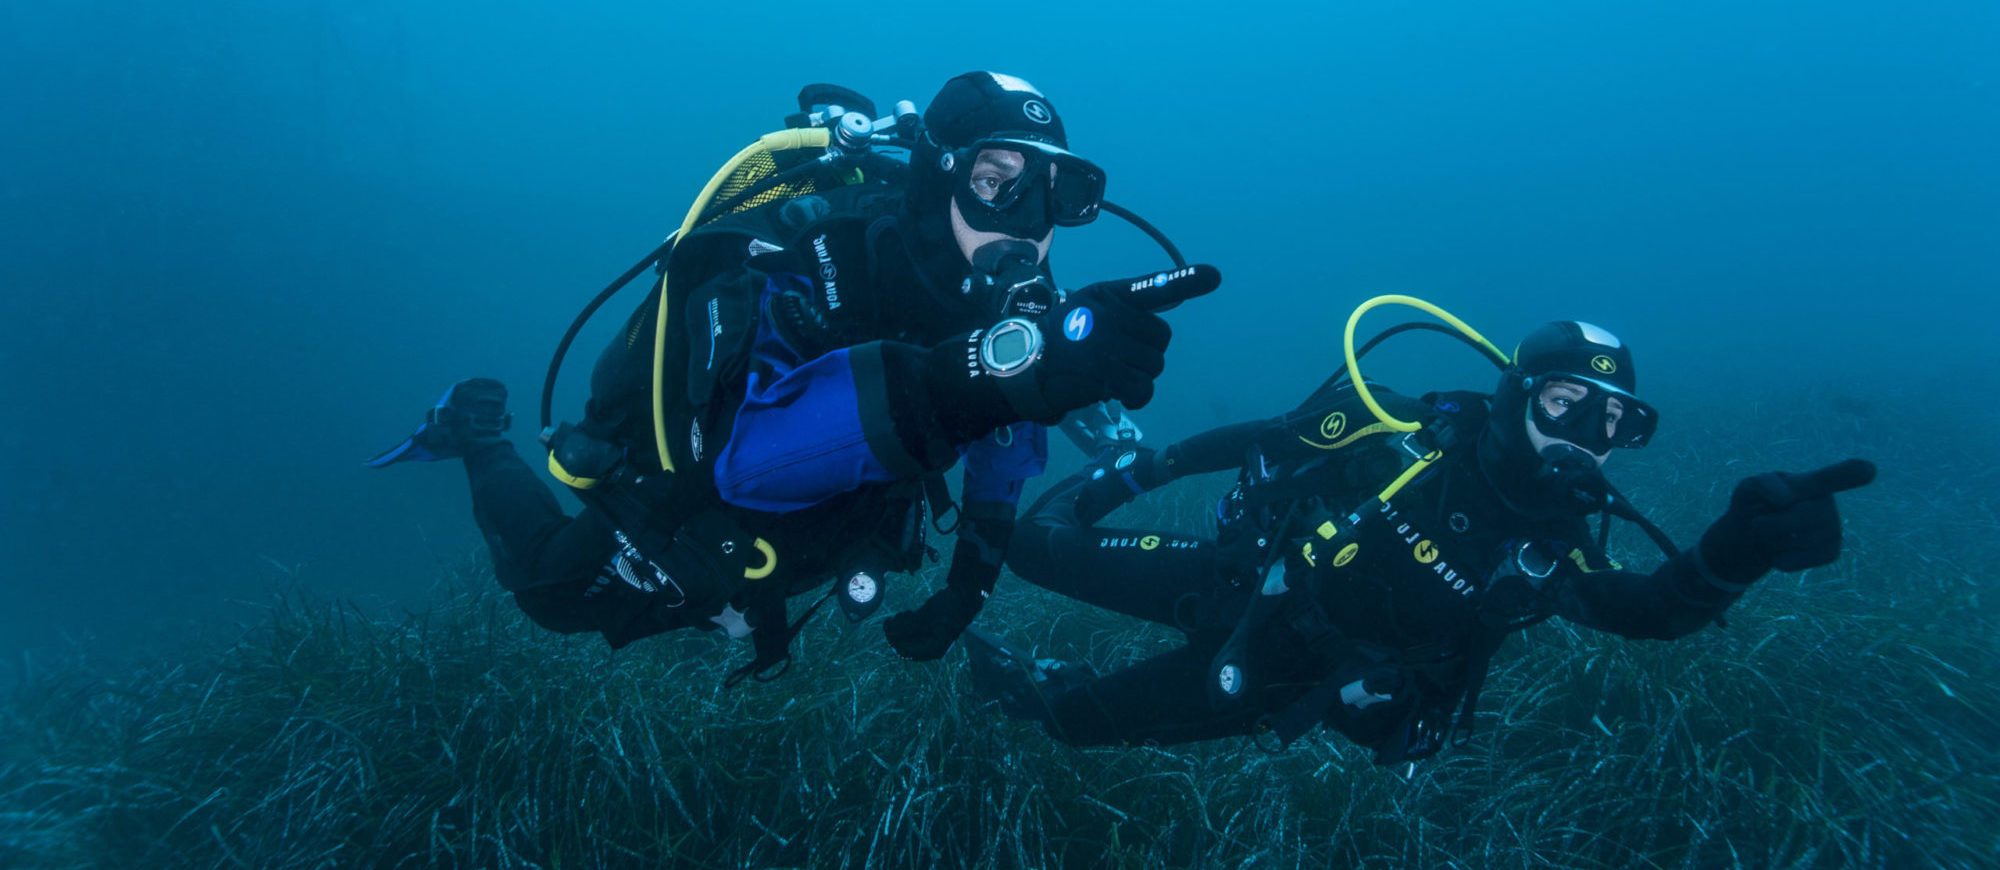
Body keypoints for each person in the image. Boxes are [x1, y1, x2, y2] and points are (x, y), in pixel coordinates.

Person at [369, 72, 1220, 680]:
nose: (1030, 227)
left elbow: (1001, 454)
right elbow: (744, 460)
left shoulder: (1006, 321)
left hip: (820, 530)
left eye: (1057, 197)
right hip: (685, 486)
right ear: (936, 178)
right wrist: (993, 379)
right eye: (999, 184)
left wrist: (964, 592)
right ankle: (473, 428)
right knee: (552, 591)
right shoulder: (819, 259)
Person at [974, 317, 1874, 763]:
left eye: (1610, 423)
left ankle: (1037, 688)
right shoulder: (1401, 431)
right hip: (1239, 582)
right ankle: (1110, 455)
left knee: (1076, 726)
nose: (1580, 438)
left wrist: (1739, 551)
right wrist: (1149, 467)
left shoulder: (1557, 542)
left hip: (1307, 677)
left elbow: (1649, 611)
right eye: (1564, 405)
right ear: (1519, 395)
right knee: (1031, 542)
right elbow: (1265, 438)